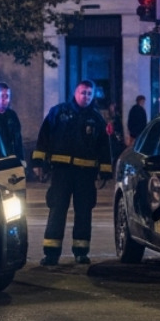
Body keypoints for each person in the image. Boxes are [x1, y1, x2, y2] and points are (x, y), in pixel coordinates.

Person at [31, 79, 109, 266]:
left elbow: (104, 147)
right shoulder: (58, 112)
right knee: (57, 210)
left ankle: (81, 252)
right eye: (83, 92)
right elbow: (44, 138)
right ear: (75, 93)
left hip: (85, 174)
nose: (86, 97)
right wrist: (38, 163)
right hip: (61, 172)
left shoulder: (97, 119)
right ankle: (51, 253)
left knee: (84, 213)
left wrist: (105, 171)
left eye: (89, 94)